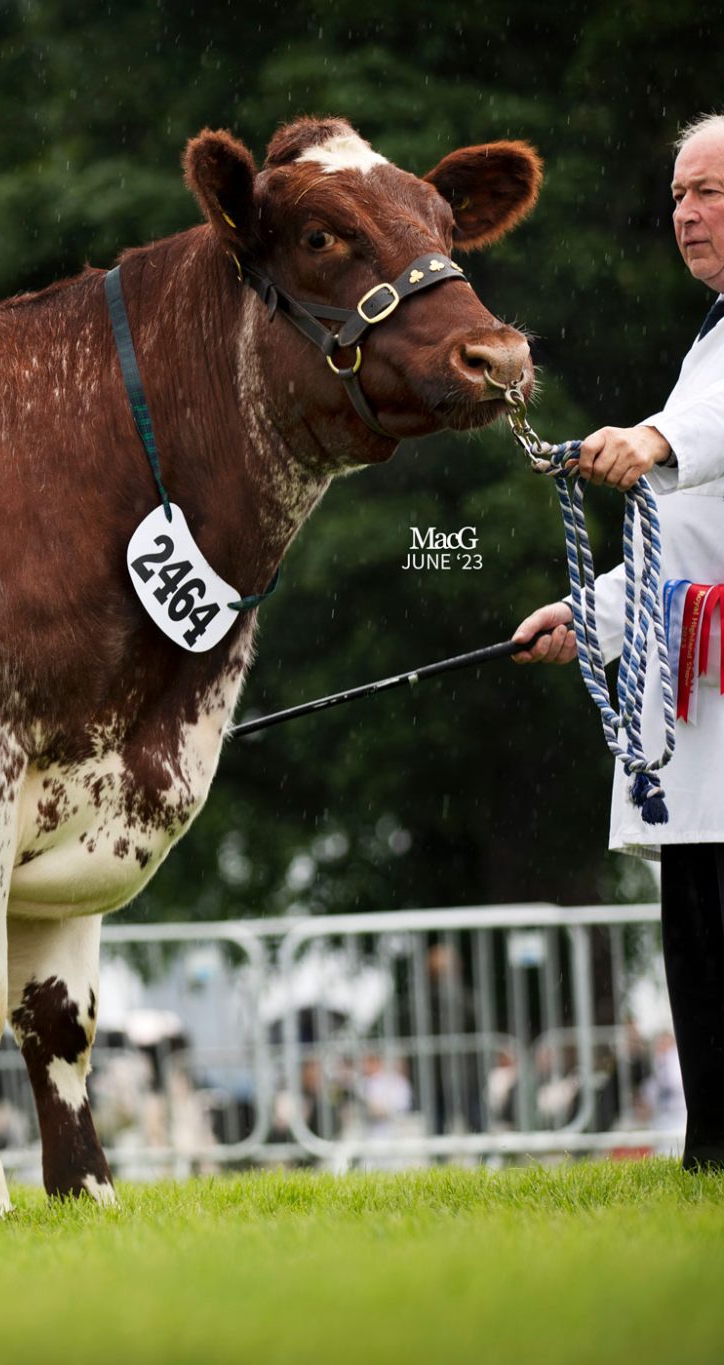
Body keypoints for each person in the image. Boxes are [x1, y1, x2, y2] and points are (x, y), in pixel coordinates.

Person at [513, 113, 724, 1173]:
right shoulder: (708, 339)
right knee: (694, 922)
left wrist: (651, 441)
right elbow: (679, 533)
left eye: (709, 193)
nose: (685, 214)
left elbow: (703, 442)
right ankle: (711, 1156)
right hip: (698, 687)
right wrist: (582, 618)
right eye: (677, 196)